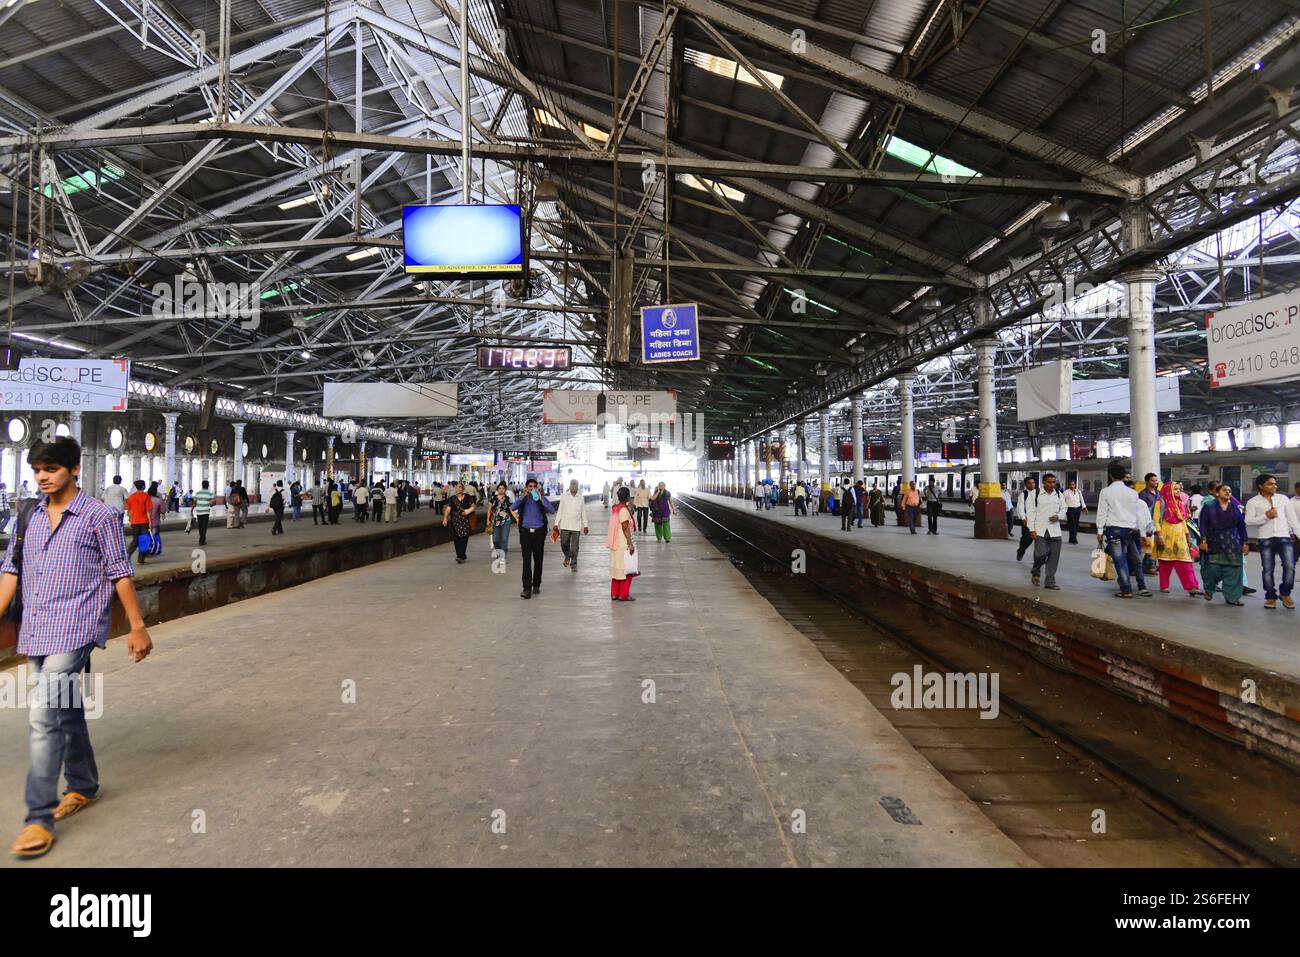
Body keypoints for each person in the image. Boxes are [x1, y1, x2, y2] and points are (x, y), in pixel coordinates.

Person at [2, 438, 153, 859]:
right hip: (36, 626)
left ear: (73, 468)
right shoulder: (27, 515)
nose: (42, 476)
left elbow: (120, 573)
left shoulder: (98, 516)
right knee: (65, 709)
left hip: (77, 627)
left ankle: (37, 818)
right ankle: (83, 784)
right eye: (36, 469)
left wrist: (137, 627)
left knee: (42, 715)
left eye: (51, 468)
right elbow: (11, 571)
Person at [1096, 462, 1155, 598]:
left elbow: (1102, 512)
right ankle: (1136, 586)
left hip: (1114, 530)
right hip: (1129, 530)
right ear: (1124, 477)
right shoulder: (1132, 493)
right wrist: (1142, 533)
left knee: (1120, 559)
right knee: (1131, 557)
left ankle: (1126, 589)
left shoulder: (1105, 492)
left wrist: (1100, 531)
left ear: (1110, 476)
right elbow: (1137, 514)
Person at [1244, 472, 1294, 609]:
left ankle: (1285, 593)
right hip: (1266, 539)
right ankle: (1270, 596)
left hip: (1284, 536)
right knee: (1267, 569)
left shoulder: (1283, 499)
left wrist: (1297, 533)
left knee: (1290, 566)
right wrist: (1266, 516)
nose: (1274, 486)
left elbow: (1292, 517)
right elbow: (1248, 520)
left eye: (1275, 484)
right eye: (1270, 484)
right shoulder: (1253, 502)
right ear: (1261, 486)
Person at [1200, 482, 1249, 605]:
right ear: (1217, 493)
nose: (1228, 492)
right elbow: (1203, 524)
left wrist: (1245, 542)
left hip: (1232, 542)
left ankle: (1232, 597)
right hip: (1213, 541)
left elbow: (1241, 526)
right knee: (1212, 569)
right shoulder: (1209, 506)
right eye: (1224, 490)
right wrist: (1203, 540)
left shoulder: (1235, 507)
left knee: (1233, 570)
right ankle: (1210, 589)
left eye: (1229, 491)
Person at [1152, 481, 1201, 596]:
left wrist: (1188, 535)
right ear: (1168, 490)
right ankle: (1164, 585)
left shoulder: (1180, 503)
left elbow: (1183, 521)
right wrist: (1159, 534)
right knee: (1165, 562)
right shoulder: (1160, 503)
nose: (1178, 491)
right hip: (1165, 535)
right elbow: (1156, 519)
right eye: (1175, 489)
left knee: (1186, 562)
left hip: (1180, 537)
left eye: (1178, 489)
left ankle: (1192, 586)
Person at [512, 478, 555, 599]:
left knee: (538, 560)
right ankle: (526, 588)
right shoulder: (524, 499)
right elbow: (513, 507)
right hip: (525, 532)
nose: (532, 488)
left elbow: (551, 510)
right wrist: (523, 496)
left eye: (534, 486)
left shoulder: (540, 499)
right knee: (526, 561)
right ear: (526, 487)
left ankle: (536, 584)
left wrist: (540, 498)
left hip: (539, 533)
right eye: (530, 486)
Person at [1026, 472, 1067, 589]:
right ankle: (1036, 570)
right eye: (1049, 482)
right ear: (1043, 482)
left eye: (1054, 482)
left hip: (1055, 531)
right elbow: (1030, 512)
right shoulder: (1035, 494)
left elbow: (1064, 508)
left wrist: (1058, 516)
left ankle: (1050, 581)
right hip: (1040, 529)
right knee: (1041, 553)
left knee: (1054, 557)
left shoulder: (1059, 494)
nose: (1051, 484)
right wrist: (1031, 529)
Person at [608, 485, 637, 602]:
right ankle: (623, 595)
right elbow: (625, 528)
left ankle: (614, 593)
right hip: (622, 542)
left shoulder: (615, 508)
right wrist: (630, 544)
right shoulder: (624, 510)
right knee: (627, 568)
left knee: (616, 568)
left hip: (615, 542)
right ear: (628, 497)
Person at [556, 479, 589, 572]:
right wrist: (556, 523)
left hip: (576, 526)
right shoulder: (564, 497)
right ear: (569, 486)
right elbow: (560, 510)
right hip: (565, 525)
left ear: (578, 486)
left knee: (575, 547)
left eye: (575, 485)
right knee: (563, 543)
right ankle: (567, 555)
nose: (573, 486)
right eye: (572, 485)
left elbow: (583, 512)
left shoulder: (580, 498)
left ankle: (573, 563)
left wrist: (585, 525)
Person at [444, 482, 475, 563]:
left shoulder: (467, 497)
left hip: (465, 521)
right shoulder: (452, 498)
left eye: (460, 487)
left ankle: (461, 556)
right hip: (455, 522)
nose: (458, 489)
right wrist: (445, 518)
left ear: (463, 489)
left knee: (464, 538)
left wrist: (467, 511)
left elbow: (473, 507)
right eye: (457, 487)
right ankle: (460, 555)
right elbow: (448, 509)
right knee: (457, 539)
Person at [124, 480, 153, 565]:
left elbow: (129, 511)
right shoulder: (146, 496)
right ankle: (140, 560)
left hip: (134, 521)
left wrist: (130, 519)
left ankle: (126, 556)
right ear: (143, 486)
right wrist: (150, 522)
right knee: (144, 540)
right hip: (144, 521)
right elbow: (148, 511)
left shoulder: (131, 497)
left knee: (135, 540)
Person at [1138, 473, 1161, 575]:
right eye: (1152, 480)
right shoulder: (1143, 494)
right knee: (1149, 544)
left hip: (1157, 522)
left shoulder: (1159, 493)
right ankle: (1148, 566)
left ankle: (1151, 564)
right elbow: (1141, 510)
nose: (1155, 482)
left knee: (1155, 544)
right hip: (1148, 522)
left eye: (1156, 480)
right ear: (1147, 481)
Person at [487, 482, 514, 560]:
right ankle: (498, 551)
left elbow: (511, 509)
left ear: (505, 490)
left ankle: (503, 556)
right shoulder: (493, 498)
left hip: (506, 520)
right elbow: (489, 509)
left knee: (504, 538)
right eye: (500, 488)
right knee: (495, 540)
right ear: (497, 489)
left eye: (503, 488)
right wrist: (487, 520)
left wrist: (516, 518)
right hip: (495, 521)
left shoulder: (507, 499)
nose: (501, 490)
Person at [1014, 477, 1037, 560]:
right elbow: (1020, 507)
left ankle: (1039, 558)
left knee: (1040, 540)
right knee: (1027, 538)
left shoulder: (1038, 493)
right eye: (1030, 483)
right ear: (1026, 484)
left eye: (1033, 482)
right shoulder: (1023, 495)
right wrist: (1023, 518)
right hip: (1028, 519)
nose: (1032, 484)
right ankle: (1021, 551)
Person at [191, 479, 214, 545]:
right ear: (208, 485)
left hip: (199, 512)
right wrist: (211, 503)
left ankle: (201, 539)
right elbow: (211, 504)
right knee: (204, 526)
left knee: (200, 526)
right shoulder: (210, 493)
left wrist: (191, 511)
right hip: (206, 512)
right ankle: (202, 540)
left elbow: (194, 503)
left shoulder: (197, 493)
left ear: (202, 485)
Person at [1063, 480, 1084, 544]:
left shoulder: (1078, 491)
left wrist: (1084, 507)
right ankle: (1074, 539)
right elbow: (1062, 501)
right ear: (1069, 485)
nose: (1072, 485)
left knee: (1076, 524)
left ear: (1075, 485)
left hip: (1077, 509)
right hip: (1070, 510)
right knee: (1072, 524)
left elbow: (1081, 499)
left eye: (1073, 484)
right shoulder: (1066, 492)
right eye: (1070, 484)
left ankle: (1071, 538)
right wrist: (1064, 509)